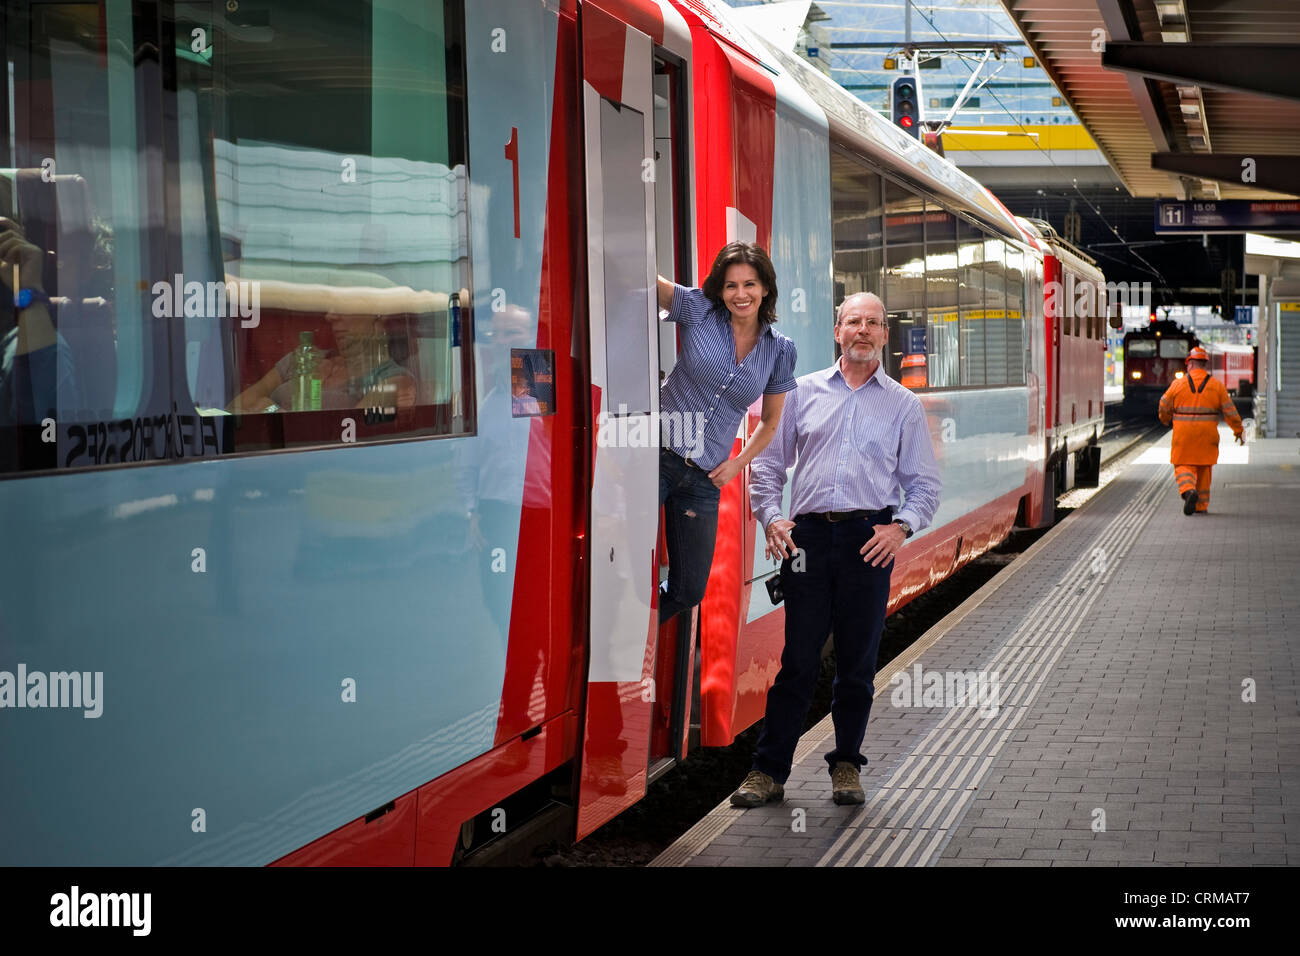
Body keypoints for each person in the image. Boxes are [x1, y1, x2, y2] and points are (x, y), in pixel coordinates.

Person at [731, 291, 941, 808]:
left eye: (873, 322)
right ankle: (768, 771)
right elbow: (766, 466)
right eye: (854, 322)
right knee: (797, 660)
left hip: (868, 541)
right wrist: (772, 516)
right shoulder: (799, 393)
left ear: (885, 335)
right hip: (808, 539)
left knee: (857, 662)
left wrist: (901, 528)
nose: (863, 331)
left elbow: (924, 486)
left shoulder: (903, 406)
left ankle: (846, 764)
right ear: (837, 331)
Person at [655, 241, 797, 624]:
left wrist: (738, 464)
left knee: (688, 590)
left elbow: (770, 421)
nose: (741, 294)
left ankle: (637, 635)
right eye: (731, 285)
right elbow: (648, 281)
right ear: (720, 289)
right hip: (656, 457)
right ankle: (611, 648)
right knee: (623, 564)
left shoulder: (780, 350)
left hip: (704, 478)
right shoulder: (698, 310)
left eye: (750, 284)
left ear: (765, 288)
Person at [230, 312, 416, 413]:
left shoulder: (394, 381)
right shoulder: (302, 357)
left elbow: (346, 440)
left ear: (379, 314)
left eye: (343, 302)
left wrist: (269, 409)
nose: (330, 315)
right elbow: (233, 408)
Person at [1157, 345, 1244, 515]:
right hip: (1208, 438)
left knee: (1183, 467)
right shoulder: (1217, 386)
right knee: (1204, 471)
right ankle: (1201, 506)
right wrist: (1238, 431)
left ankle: (1189, 491)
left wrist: (1165, 419)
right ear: (1205, 365)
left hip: (1183, 437)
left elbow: (1164, 404)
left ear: (1189, 364)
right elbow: (1230, 412)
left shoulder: (1178, 384)